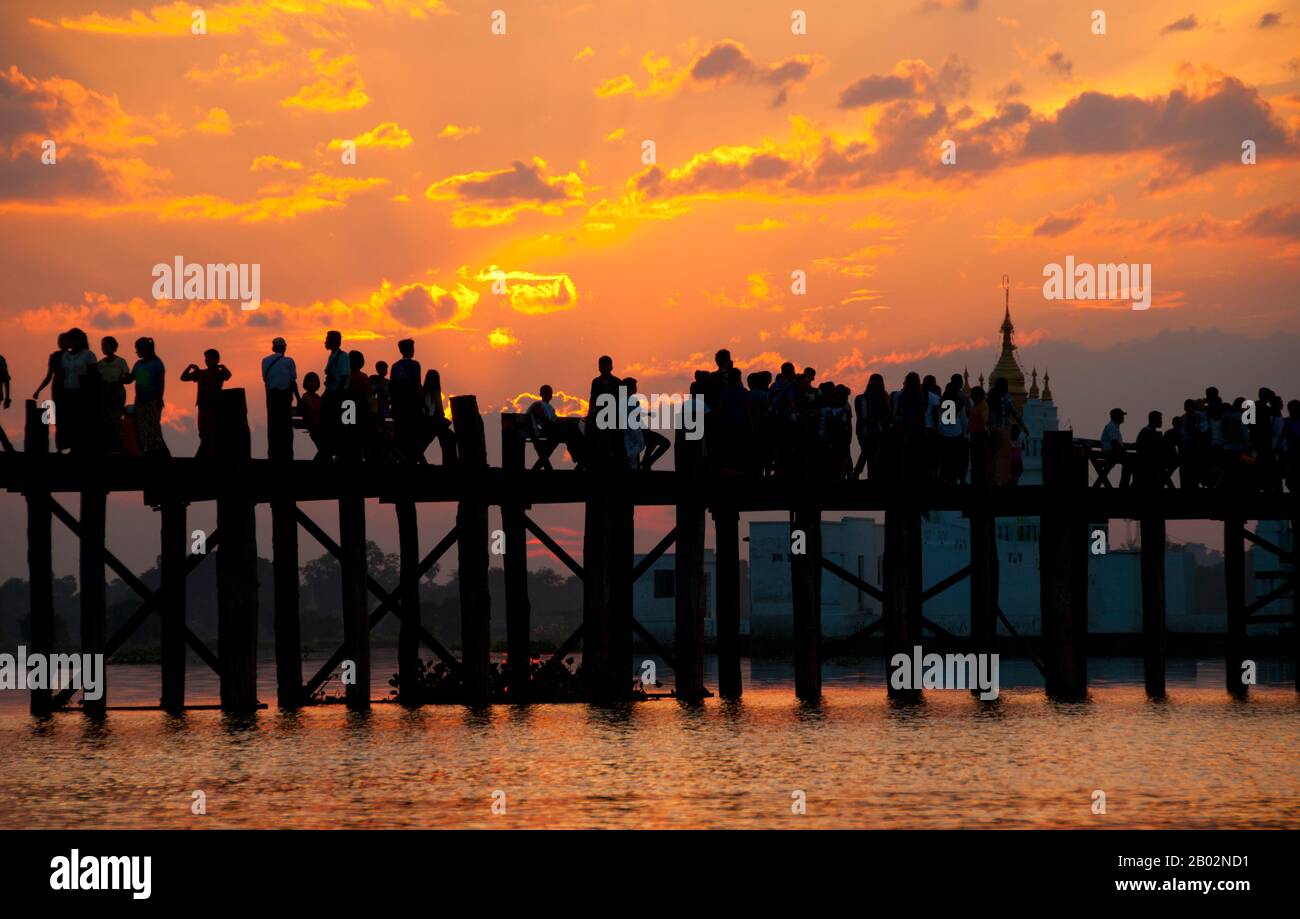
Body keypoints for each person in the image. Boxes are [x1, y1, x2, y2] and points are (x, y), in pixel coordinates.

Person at [180, 349, 231, 459]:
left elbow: (228, 375)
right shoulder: (201, 373)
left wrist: (223, 367)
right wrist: (189, 367)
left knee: (212, 433)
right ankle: (207, 454)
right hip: (202, 407)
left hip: (214, 407)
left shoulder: (218, 373)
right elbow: (183, 378)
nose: (206, 360)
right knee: (203, 432)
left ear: (216, 359)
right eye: (206, 358)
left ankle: (210, 455)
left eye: (209, 358)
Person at [124, 337, 168, 456]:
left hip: (153, 400)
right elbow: (131, 378)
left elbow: (161, 382)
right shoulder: (138, 364)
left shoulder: (156, 363)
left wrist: (159, 398)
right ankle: (146, 450)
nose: (137, 352)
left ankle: (158, 452)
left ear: (145, 349)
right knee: (142, 427)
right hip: (140, 400)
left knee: (153, 427)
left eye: (138, 349)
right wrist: (122, 377)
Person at [262, 337, 299, 461]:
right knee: (286, 429)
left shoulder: (265, 361)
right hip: (284, 398)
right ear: (284, 348)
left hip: (271, 398)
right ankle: (287, 456)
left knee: (273, 427)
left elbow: (266, 380)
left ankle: (272, 454)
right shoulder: (289, 361)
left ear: (273, 348)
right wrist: (299, 399)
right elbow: (293, 382)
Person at [585, 355, 623, 471]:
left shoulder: (618, 382)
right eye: (601, 365)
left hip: (613, 417)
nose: (603, 368)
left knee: (611, 443)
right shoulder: (595, 382)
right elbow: (593, 399)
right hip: (598, 416)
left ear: (611, 367)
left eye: (605, 365)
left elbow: (622, 402)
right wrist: (590, 414)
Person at [389, 339, 423, 462]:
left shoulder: (394, 366)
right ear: (412, 350)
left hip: (398, 406)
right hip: (412, 405)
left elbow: (391, 388)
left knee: (400, 434)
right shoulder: (415, 365)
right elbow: (417, 385)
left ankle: (401, 458)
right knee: (413, 434)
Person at [853, 374, 892, 480]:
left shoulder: (859, 398)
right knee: (874, 455)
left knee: (866, 452)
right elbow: (887, 414)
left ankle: (857, 472)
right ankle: (868, 475)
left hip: (862, 430)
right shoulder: (882, 398)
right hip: (877, 430)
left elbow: (858, 415)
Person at [322, 330, 350, 460]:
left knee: (337, 426)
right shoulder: (333, 355)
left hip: (337, 395)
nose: (325, 342)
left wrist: (338, 392)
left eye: (327, 340)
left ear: (333, 342)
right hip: (332, 392)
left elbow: (344, 376)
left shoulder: (342, 356)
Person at [97, 336, 129, 453]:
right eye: (102, 345)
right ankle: (107, 445)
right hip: (104, 394)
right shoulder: (100, 364)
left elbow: (126, 376)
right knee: (104, 419)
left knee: (115, 418)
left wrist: (118, 381)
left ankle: (118, 445)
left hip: (117, 393)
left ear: (113, 347)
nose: (103, 348)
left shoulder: (121, 362)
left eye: (106, 345)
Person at [421, 368, 456, 465]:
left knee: (424, 443)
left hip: (425, 420)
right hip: (434, 421)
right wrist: (443, 417)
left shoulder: (423, 392)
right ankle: (449, 463)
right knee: (450, 438)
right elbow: (440, 409)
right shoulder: (435, 392)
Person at [1100, 407, 1130, 487]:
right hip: (1110, 453)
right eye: (1121, 415)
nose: (1123, 417)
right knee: (1129, 462)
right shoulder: (1111, 426)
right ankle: (1124, 485)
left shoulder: (1114, 426)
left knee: (1129, 462)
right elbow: (1114, 442)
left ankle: (1124, 485)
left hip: (1113, 453)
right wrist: (1124, 452)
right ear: (1116, 417)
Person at [299, 371, 324, 460]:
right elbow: (315, 410)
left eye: (314, 381)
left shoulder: (317, 396)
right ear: (306, 383)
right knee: (325, 449)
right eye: (309, 381)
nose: (312, 383)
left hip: (320, 426)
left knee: (325, 450)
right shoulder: (306, 397)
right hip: (315, 427)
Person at [968, 385, 989, 485]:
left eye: (973, 395)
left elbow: (984, 420)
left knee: (979, 461)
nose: (972, 397)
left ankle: (980, 482)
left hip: (980, 435)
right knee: (975, 461)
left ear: (979, 396)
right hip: (974, 435)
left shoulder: (983, 406)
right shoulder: (976, 405)